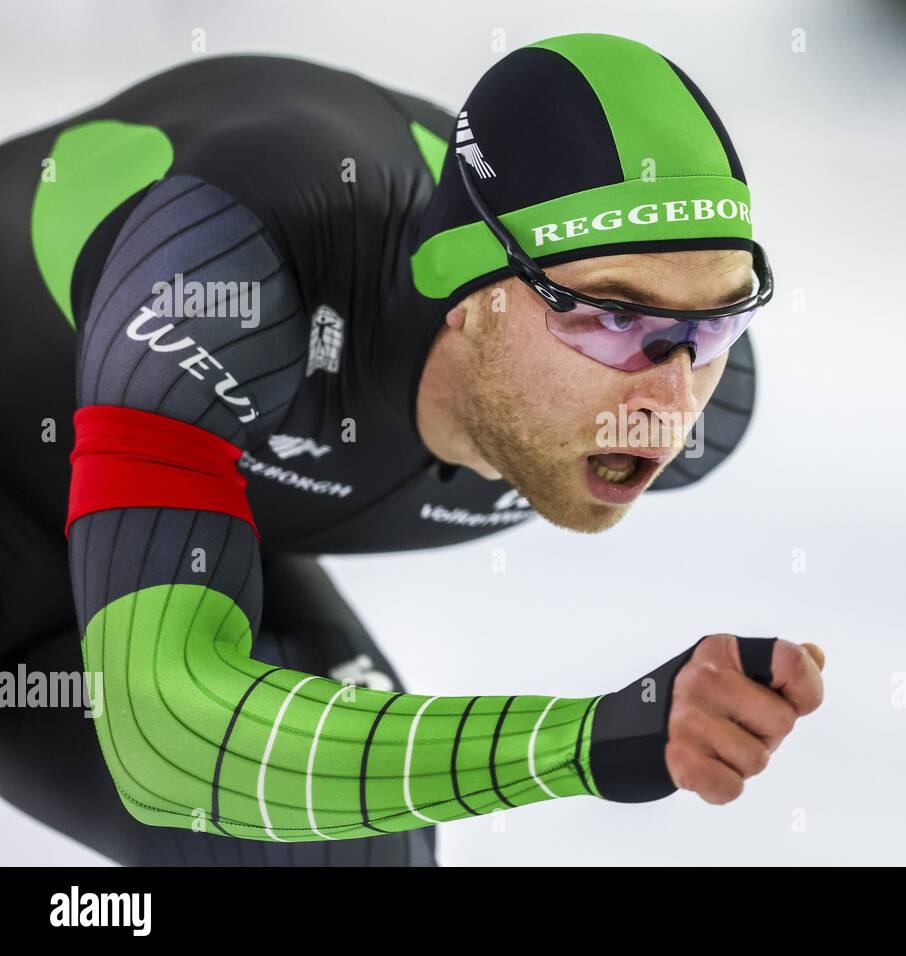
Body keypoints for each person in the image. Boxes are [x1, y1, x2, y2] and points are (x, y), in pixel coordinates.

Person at [0, 32, 825, 866]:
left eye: (716, 323)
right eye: (612, 317)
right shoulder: (230, 260)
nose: (671, 404)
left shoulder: (698, 405)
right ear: (466, 292)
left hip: (147, 549)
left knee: (343, 849)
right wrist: (590, 738)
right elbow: (168, 737)